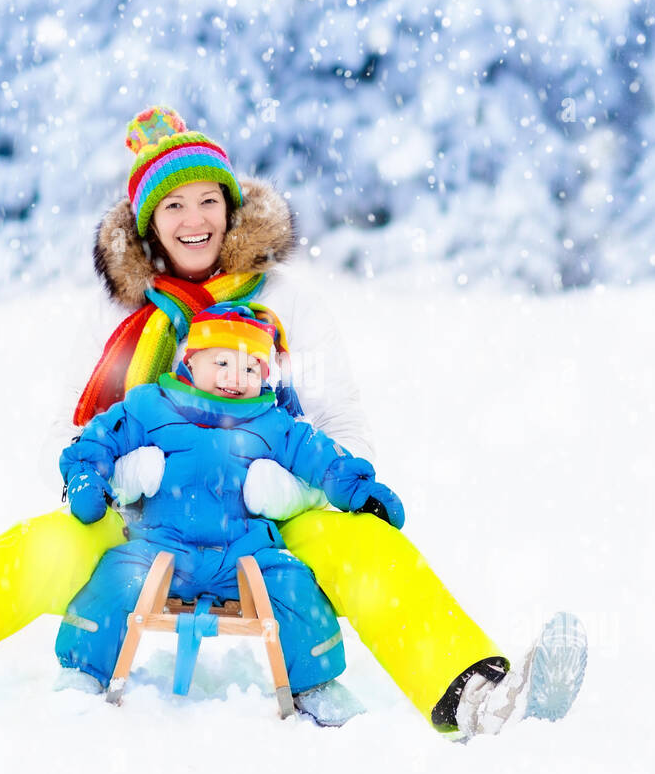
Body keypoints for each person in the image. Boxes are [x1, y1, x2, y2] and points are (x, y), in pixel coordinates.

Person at [0, 104, 584, 738]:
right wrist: (118, 482)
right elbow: (66, 433)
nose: (193, 219)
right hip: (147, 525)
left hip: (270, 522)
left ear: (230, 208)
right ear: (149, 224)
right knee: (39, 549)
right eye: (173, 204)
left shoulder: (286, 302)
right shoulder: (121, 320)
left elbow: (345, 422)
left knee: (373, 549)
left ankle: (478, 695)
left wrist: (292, 490)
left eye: (207, 199)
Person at [53, 302, 402, 721]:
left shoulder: (273, 422)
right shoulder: (151, 406)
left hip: (245, 550)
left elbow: (322, 458)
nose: (237, 378)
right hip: (159, 545)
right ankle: (83, 671)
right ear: (190, 360)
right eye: (222, 362)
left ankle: (316, 683)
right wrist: (86, 476)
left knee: (294, 587)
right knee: (114, 578)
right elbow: (98, 440)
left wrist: (360, 491)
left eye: (252, 369)